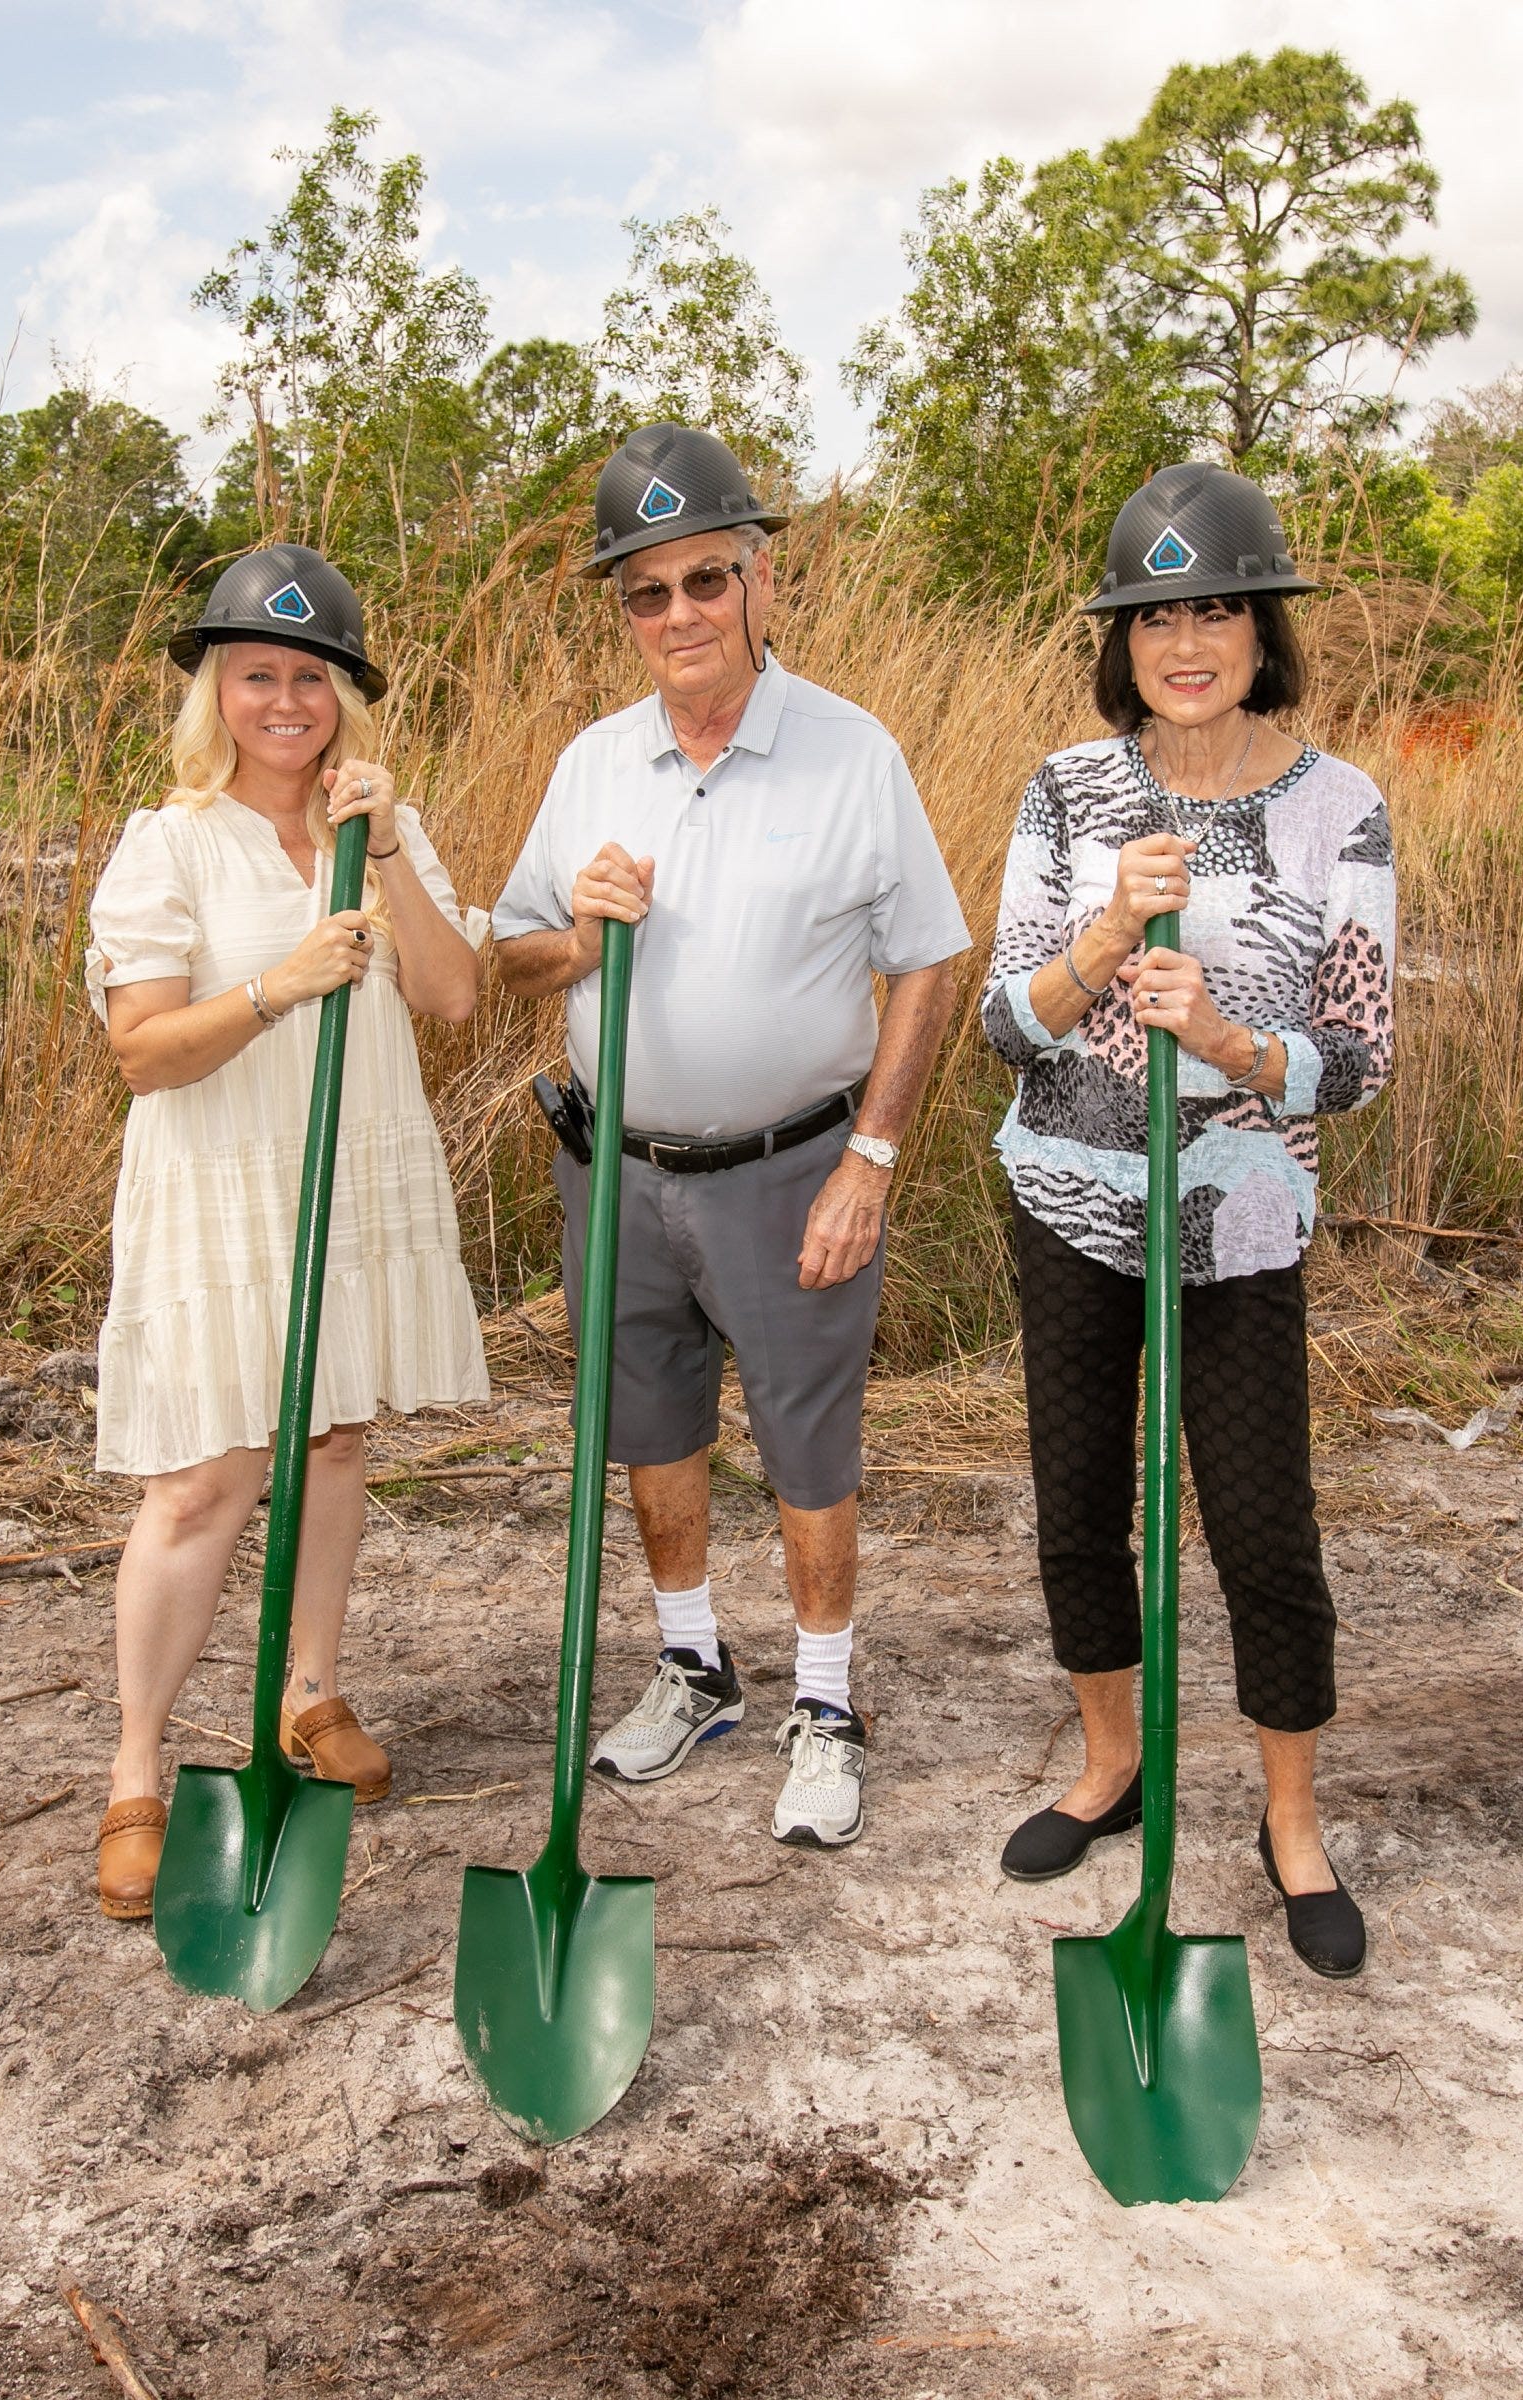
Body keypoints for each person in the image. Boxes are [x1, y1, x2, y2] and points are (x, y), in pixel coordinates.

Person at [493, 424, 969, 1849]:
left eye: (708, 579)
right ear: (622, 611)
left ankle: (825, 1701)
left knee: (806, 1438)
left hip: (792, 1173)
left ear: (763, 580)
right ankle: (695, 1665)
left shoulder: (850, 750)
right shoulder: (593, 762)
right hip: (619, 1170)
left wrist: (871, 1161)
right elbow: (516, 951)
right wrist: (577, 935)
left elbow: (930, 964)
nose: (681, 614)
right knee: (648, 1427)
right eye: (649, 593)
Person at [982, 464, 1395, 1976]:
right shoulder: (1065, 789)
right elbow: (1003, 1024)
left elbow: (1357, 1062)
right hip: (1067, 1194)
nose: (1189, 639)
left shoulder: (1340, 807)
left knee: (1261, 1524)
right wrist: (1099, 941)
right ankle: (1110, 1763)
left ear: (1261, 625)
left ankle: (1291, 1820)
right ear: (1125, 643)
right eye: (1157, 615)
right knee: (1080, 1501)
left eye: (1218, 605)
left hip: (1239, 1213)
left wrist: (1229, 1044)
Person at [85, 544, 489, 1921]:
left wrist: (380, 860)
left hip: (352, 1169)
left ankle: (311, 1692)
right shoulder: (171, 842)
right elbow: (142, 1054)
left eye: (311, 678)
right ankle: (138, 1769)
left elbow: (450, 998)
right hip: (227, 1188)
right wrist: (278, 982)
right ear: (217, 691)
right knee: (204, 1481)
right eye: (258, 674)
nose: (286, 701)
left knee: (334, 1438)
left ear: (344, 698)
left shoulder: (379, 824)